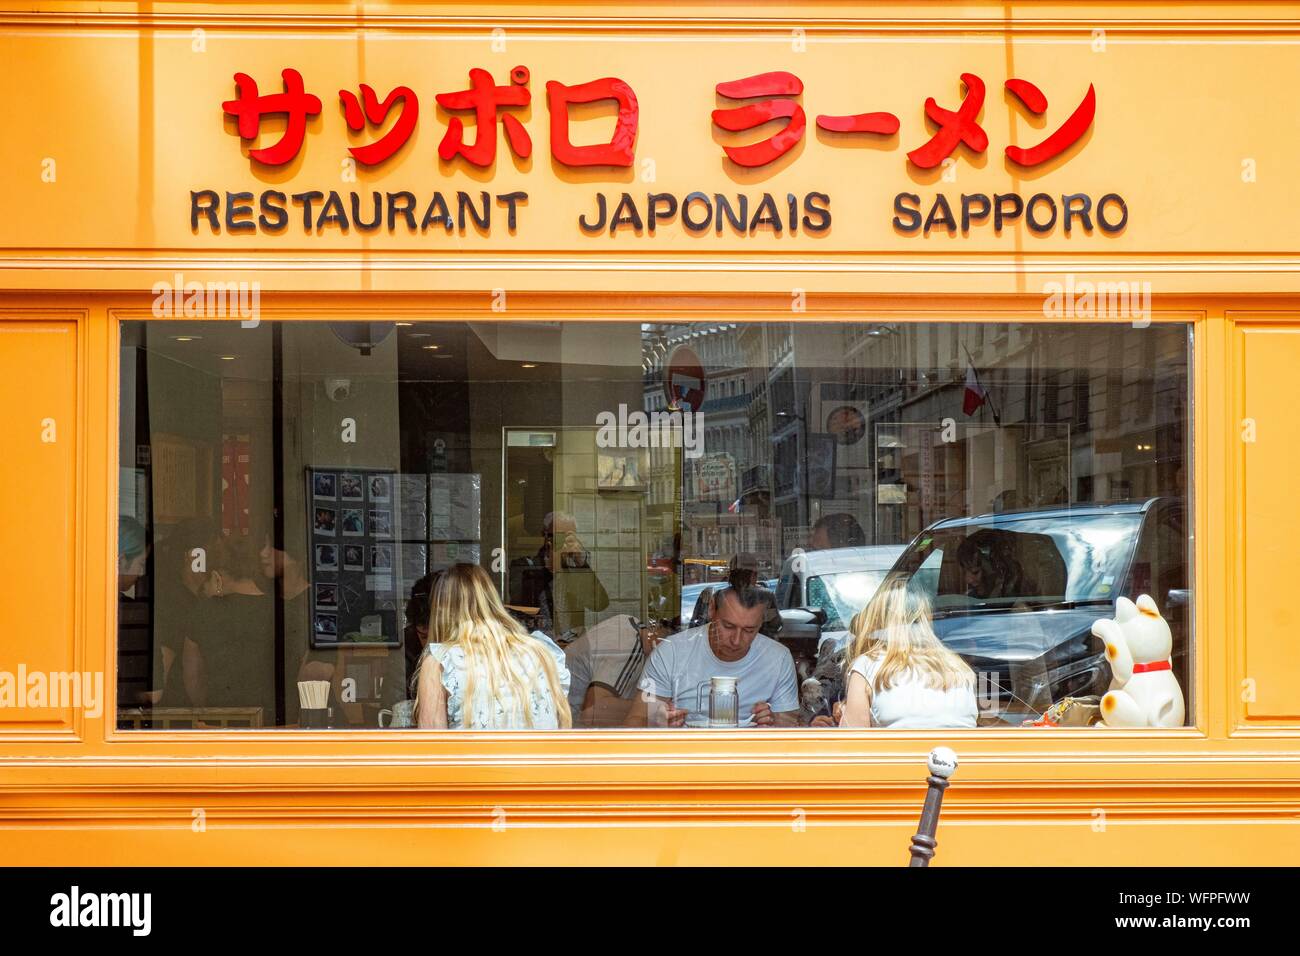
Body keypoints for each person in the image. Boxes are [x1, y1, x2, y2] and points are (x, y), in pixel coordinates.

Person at [415, 563, 572, 730]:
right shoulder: (543, 652)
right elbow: (563, 727)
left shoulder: (440, 662)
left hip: (476, 756)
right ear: (491, 600)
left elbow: (432, 747)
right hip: (539, 756)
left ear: (441, 612)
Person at [627, 585, 799, 728]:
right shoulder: (671, 652)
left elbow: (791, 733)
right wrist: (657, 722)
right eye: (728, 626)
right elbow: (634, 724)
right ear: (711, 610)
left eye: (749, 630)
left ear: (761, 622)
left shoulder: (778, 658)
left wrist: (772, 724)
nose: (736, 640)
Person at [825, 572, 977, 729]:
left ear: (878, 619)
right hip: (959, 753)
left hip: (900, 753)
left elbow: (854, 744)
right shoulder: (958, 667)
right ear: (927, 617)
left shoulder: (867, 666)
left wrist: (847, 712)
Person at [510, 512, 609, 641]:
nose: (561, 541)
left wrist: (581, 563)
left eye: (568, 536)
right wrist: (549, 568)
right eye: (557, 536)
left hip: (571, 646)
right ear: (544, 536)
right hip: (539, 647)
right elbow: (519, 602)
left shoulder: (574, 571)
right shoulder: (526, 565)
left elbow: (599, 604)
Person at [565, 615, 669, 727]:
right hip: (566, 728)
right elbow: (593, 712)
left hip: (565, 721)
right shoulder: (631, 645)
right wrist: (654, 709)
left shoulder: (627, 624)